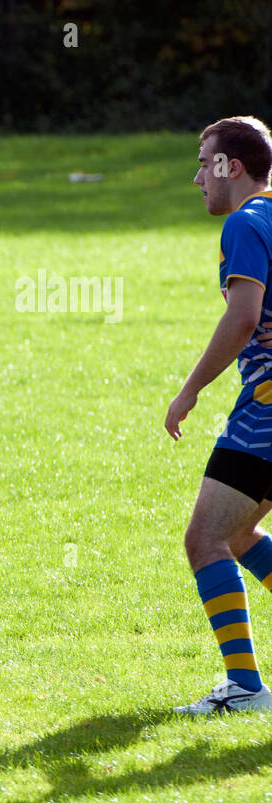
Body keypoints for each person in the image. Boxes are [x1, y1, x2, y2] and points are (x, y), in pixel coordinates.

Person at [166, 116, 272, 715]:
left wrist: (190, 389)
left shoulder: (246, 221)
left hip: (265, 416)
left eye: (205, 162)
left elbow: (243, 316)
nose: (198, 176)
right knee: (237, 534)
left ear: (231, 166)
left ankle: (245, 688)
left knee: (206, 538)